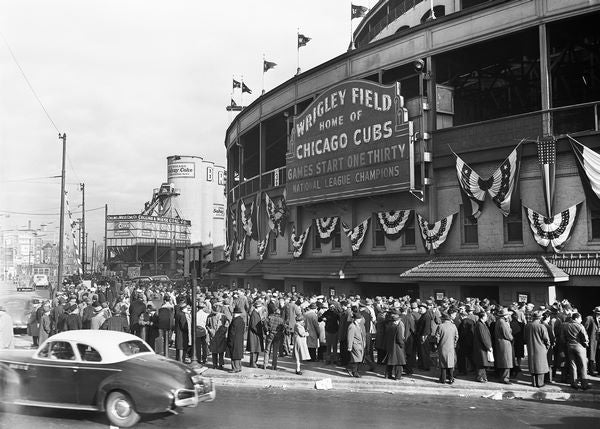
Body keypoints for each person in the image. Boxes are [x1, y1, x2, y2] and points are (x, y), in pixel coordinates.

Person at [562, 312, 591, 390]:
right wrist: (586, 344)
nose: (581, 320)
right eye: (580, 318)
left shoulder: (566, 325)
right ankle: (584, 385)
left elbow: (563, 337)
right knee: (583, 365)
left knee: (572, 365)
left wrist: (567, 343)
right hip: (579, 346)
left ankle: (574, 383)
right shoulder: (580, 326)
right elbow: (585, 337)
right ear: (576, 318)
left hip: (569, 346)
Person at [525, 311, 551, 387]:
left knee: (533, 365)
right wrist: (546, 348)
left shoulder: (527, 326)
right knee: (540, 366)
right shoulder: (542, 326)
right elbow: (547, 340)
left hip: (531, 348)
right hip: (541, 349)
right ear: (540, 318)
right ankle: (540, 383)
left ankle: (534, 383)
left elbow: (525, 338)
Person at [435, 310, 459, 384]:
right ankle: (451, 378)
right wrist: (454, 344)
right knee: (450, 363)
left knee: (443, 364)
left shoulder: (440, 326)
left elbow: (437, 338)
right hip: (451, 347)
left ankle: (443, 379)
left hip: (442, 347)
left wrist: (437, 345)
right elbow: (456, 337)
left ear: (443, 319)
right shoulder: (454, 326)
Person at [384, 308, 406, 380]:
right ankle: (398, 376)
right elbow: (400, 337)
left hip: (390, 344)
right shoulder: (399, 325)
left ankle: (387, 375)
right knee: (399, 361)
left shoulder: (390, 324)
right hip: (397, 346)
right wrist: (402, 344)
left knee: (390, 360)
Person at [494, 307, 514, 384]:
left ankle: (503, 377)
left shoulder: (499, 321)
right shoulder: (503, 322)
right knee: (506, 361)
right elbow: (507, 334)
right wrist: (512, 338)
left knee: (503, 361)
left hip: (501, 343)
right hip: (505, 343)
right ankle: (505, 378)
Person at [473, 310, 493, 383]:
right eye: (486, 316)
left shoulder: (481, 324)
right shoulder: (480, 325)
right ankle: (480, 377)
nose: (487, 317)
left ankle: (483, 377)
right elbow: (483, 337)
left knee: (483, 363)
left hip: (482, 347)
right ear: (483, 317)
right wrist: (488, 346)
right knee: (481, 363)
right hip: (481, 347)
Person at [207, 303, 228, 370]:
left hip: (221, 336)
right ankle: (214, 364)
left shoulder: (223, 316)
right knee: (214, 351)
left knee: (221, 351)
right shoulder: (210, 316)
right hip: (213, 336)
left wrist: (223, 331)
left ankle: (221, 364)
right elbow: (207, 325)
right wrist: (210, 331)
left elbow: (226, 325)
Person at [346, 311, 366, 378]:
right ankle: (354, 372)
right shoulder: (352, 326)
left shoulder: (357, 325)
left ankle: (353, 370)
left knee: (357, 359)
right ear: (356, 319)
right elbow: (350, 336)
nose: (360, 319)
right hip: (355, 345)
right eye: (359, 318)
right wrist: (349, 346)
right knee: (357, 359)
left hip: (359, 345)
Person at [246, 299, 265, 368]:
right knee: (254, 349)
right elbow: (254, 326)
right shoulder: (254, 314)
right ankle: (253, 363)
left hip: (255, 334)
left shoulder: (255, 313)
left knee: (256, 349)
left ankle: (254, 362)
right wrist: (260, 332)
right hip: (255, 334)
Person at [227, 306, 246, 373]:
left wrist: (229, 341)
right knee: (238, 355)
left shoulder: (234, 321)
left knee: (233, 355)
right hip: (240, 339)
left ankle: (235, 368)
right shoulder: (242, 320)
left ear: (235, 313)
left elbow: (232, 332)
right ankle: (239, 367)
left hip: (234, 340)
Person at [584, 306, 600, 376]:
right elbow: (584, 330)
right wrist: (586, 339)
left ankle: (598, 370)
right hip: (592, 340)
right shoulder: (589, 318)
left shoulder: (599, 319)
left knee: (598, 355)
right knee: (591, 355)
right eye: (598, 313)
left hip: (598, 339)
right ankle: (591, 370)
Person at [174, 297, 189, 362]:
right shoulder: (182, 315)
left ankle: (179, 359)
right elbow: (184, 326)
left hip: (178, 331)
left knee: (179, 346)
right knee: (182, 346)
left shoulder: (178, 314)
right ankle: (181, 359)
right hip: (182, 333)